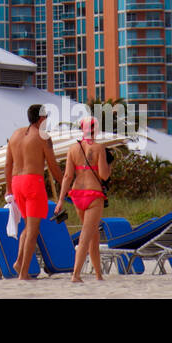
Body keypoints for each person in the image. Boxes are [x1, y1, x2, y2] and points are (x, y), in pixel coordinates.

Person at [4, 103, 63, 280]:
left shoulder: (15, 135)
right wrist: (66, 185)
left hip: (16, 183)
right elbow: (53, 166)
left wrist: (8, 189)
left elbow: (7, 164)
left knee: (28, 226)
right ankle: (23, 273)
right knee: (33, 230)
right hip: (32, 182)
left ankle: (19, 262)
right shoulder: (43, 136)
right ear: (42, 118)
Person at [55, 115, 112, 282]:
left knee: (93, 235)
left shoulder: (73, 149)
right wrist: (110, 165)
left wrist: (60, 200)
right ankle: (76, 274)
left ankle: (98, 274)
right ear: (96, 129)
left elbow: (67, 176)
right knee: (86, 235)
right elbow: (103, 175)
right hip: (93, 194)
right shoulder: (100, 148)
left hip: (77, 194)